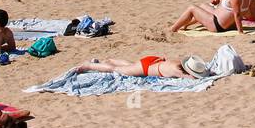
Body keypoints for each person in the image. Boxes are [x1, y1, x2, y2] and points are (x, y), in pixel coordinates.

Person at [68, 56, 200, 78]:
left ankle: (109, 60)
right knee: (115, 70)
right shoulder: (177, 71)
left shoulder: (177, 63)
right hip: (146, 68)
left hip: (152, 60)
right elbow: (189, 78)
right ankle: (88, 65)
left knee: (130, 65)